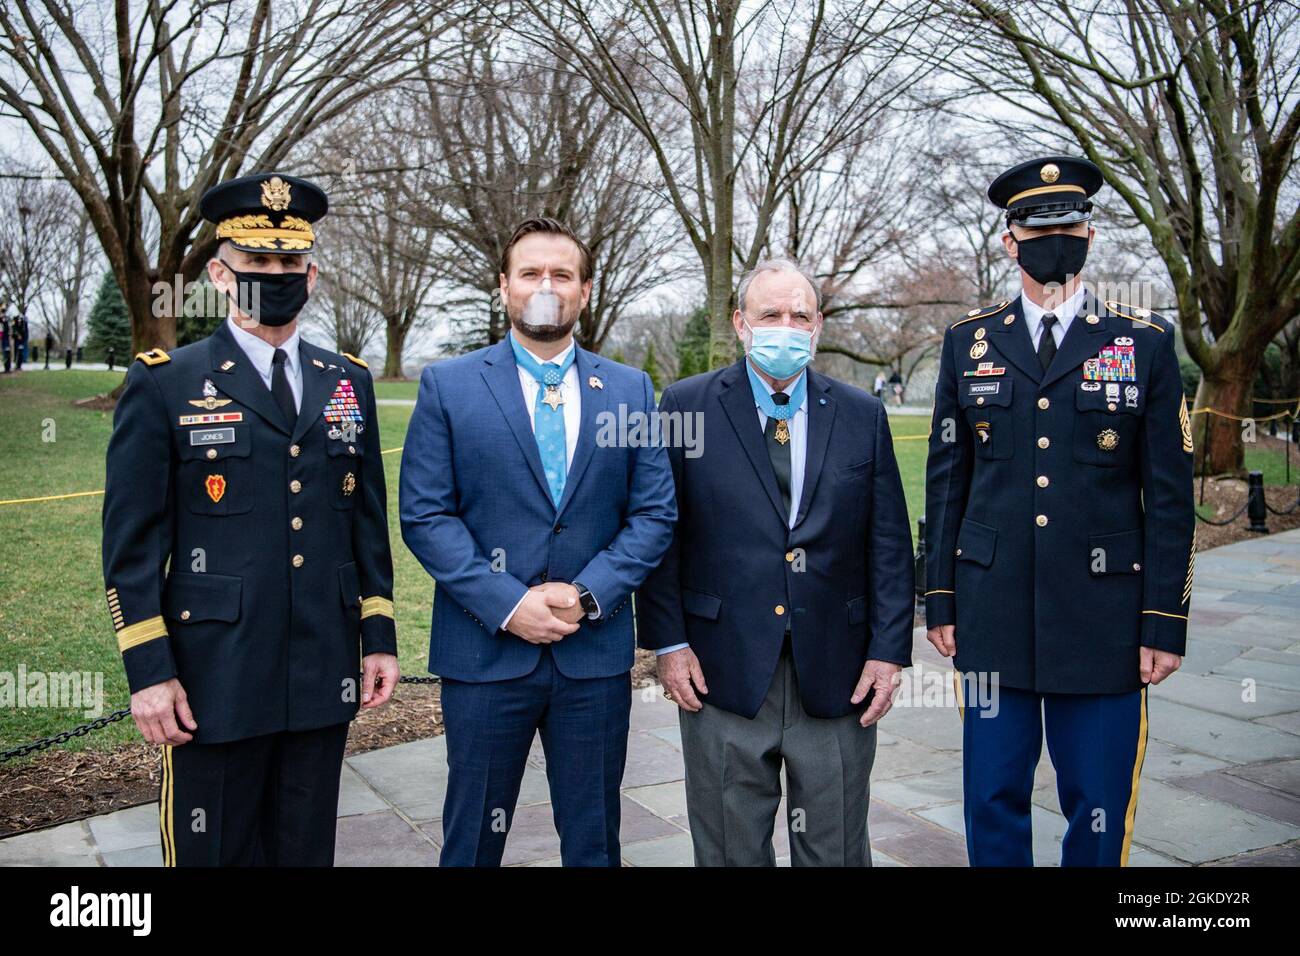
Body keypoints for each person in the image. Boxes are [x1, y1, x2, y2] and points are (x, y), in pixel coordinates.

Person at [102, 172, 399, 866]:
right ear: (219, 272)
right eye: (257, 262)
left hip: (320, 672)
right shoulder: (165, 383)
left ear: (312, 273)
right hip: (213, 682)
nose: (275, 274)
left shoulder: (346, 380)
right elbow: (131, 550)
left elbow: (365, 522)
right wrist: (149, 671)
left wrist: (378, 636)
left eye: (289, 262)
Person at [924, 156, 1195, 867]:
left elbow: (1170, 497)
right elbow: (948, 482)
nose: (1055, 239)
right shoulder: (968, 343)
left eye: (1068, 224)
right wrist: (940, 599)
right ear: (1009, 241)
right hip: (991, 616)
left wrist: (1164, 620)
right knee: (991, 801)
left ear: (1090, 234)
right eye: (1035, 227)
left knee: (1099, 810)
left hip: (1105, 620)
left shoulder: (1144, 342)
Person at [400, 217, 676, 867]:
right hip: (484, 654)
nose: (545, 286)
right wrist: (506, 602)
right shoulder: (450, 386)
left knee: (593, 839)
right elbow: (426, 516)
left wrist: (588, 594)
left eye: (561, 274)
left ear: (584, 291)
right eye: (530, 273)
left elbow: (655, 514)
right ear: (504, 287)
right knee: (472, 839)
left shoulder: (631, 390)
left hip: (594, 660)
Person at [636, 258, 914, 866]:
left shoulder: (861, 414)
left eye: (800, 316)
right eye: (770, 315)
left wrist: (889, 651)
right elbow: (660, 536)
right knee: (732, 848)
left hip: (838, 671)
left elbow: (889, 542)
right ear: (740, 323)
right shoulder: (686, 406)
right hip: (720, 670)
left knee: (835, 848)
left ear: (816, 328)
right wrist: (668, 644)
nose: (785, 327)